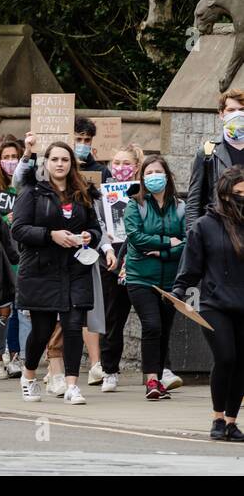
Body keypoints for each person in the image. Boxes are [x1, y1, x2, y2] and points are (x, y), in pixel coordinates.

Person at [12, 141, 106, 405]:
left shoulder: (83, 193)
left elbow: (96, 228)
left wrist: (90, 236)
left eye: (65, 160)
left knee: (74, 325)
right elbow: (18, 230)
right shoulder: (32, 192)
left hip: (75, 268)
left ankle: (72, 385)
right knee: (41, 331)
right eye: (55, 159)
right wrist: (50, 235)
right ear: (46, 163)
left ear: (71, 164)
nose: (60, 164)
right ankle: (29, 375)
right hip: (41, 270)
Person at [174, 166, 244, 440]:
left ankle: (231, 421)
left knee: (241, 363)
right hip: (215, 305)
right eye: (238, 193)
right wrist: (179, 290)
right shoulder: (205, 225)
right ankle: (216, 418)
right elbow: (191, 266)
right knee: (226, 357)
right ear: (225, 194)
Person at [121, 155, 185, 400]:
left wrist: (163, 251)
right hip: (140, 278)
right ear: (142, 177)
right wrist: (169, 242)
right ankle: (151, 380)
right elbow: (135, 238)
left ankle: (158, 379)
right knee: (152, 325)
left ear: (167, 175)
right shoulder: (135, 204)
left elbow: (188, 241)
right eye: (148, 173)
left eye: (158, 171)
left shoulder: (179, 206)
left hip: (170, 279)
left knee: (165, 329)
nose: (153, 177)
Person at [96, 142, 143, 391]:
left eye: (126, 164)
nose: (121, 168)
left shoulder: (143, 193)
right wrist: (107, 249)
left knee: (151, 316)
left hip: (139, 259)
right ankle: (110, 370)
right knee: (112, 317)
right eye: (117, 163)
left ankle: (157, 371)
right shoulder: (102, 194)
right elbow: (98, 225)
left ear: (136, 167)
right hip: (111, 259)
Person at [0, 135, 24, 380]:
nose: (10, 162)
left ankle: (16, 356)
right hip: (0, 254)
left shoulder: (25, 185)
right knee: (4, 309)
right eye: (6, 157)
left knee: (21, 307)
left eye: (15, 157)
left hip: (22, 251)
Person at [187, 88, 244, 232]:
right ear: (221, 114)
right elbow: (194, 201)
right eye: (231, 110)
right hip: (219, 229)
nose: (237, 114)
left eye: (242, 109)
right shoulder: (207, 152)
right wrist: (192, 237)